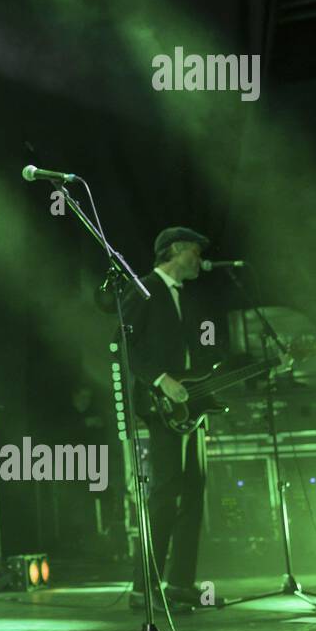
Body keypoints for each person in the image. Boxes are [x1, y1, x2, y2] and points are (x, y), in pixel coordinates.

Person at [122, 226, 217, 610]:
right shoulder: (144, 289)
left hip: (190, 408)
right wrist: (162, 381)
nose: (199, 259)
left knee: (194, 491)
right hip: (160, 405)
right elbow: (124, 343)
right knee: (165, 493)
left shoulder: (186, 297)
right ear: (174, 251)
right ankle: (144, 589)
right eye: (194, 251)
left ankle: (179, 581)